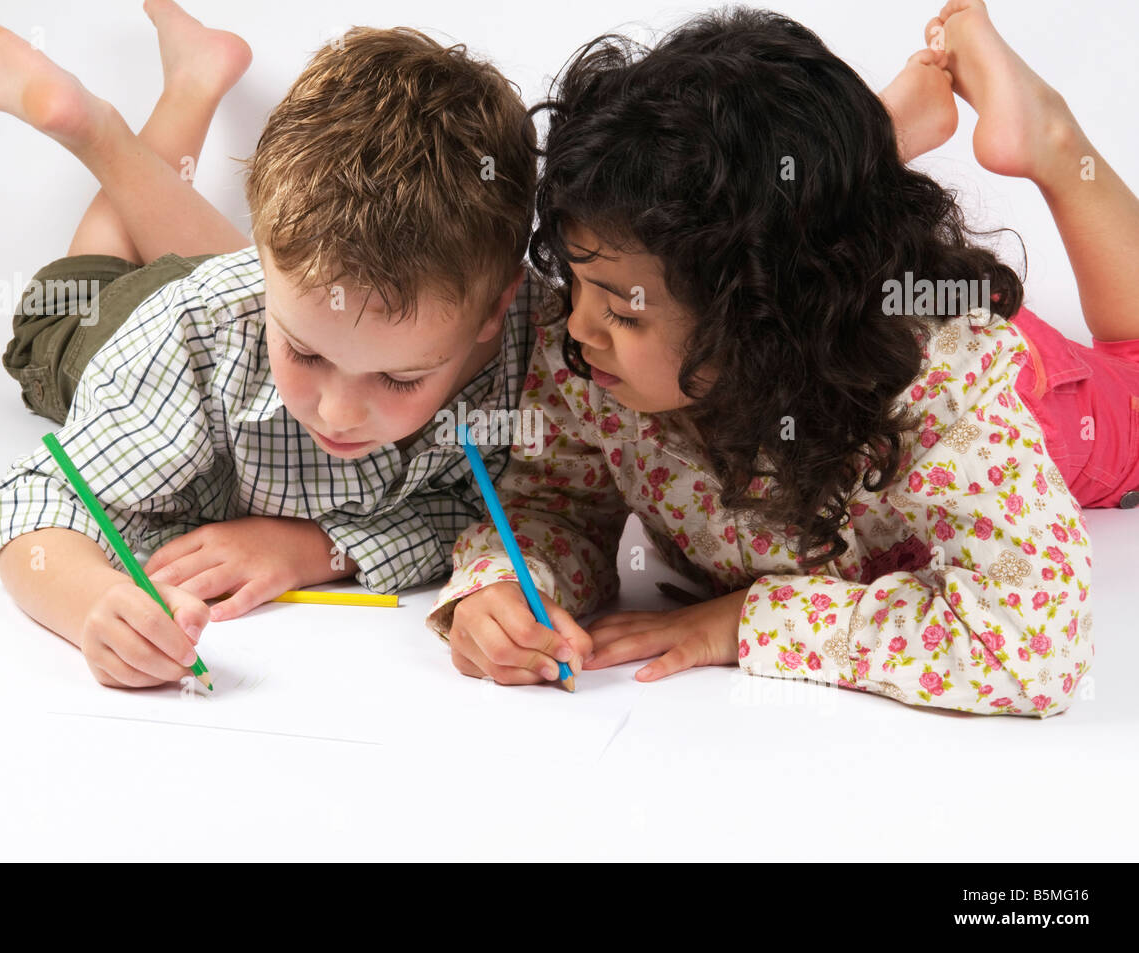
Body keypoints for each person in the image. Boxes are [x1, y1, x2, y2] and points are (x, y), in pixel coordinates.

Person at [430, 0, 1139, 717]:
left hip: (1029, 388)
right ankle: (861, 155)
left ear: (761, 323)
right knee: (776, 216)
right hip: (809, 272)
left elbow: (1029, 647)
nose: (578, 327)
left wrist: (744, 621)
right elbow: (561, 506)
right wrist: (504, 584)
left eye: (622, 307)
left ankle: (1047, 135)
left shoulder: (947, 386)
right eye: (578, 281)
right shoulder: (594, 346)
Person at [0, 1, 539, 688]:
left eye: (401, 379)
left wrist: (319, 549)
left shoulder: (534, 345)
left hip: (268, 297)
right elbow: (35, 501)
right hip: (127, 324)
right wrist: (93, 607)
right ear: (262, 268)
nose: (340, 413)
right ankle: (108, 125)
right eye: (310, 358)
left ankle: (196, 76)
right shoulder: (193, 337)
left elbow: (495, 508)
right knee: (67, 306)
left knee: (313, 308)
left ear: (494, 310)